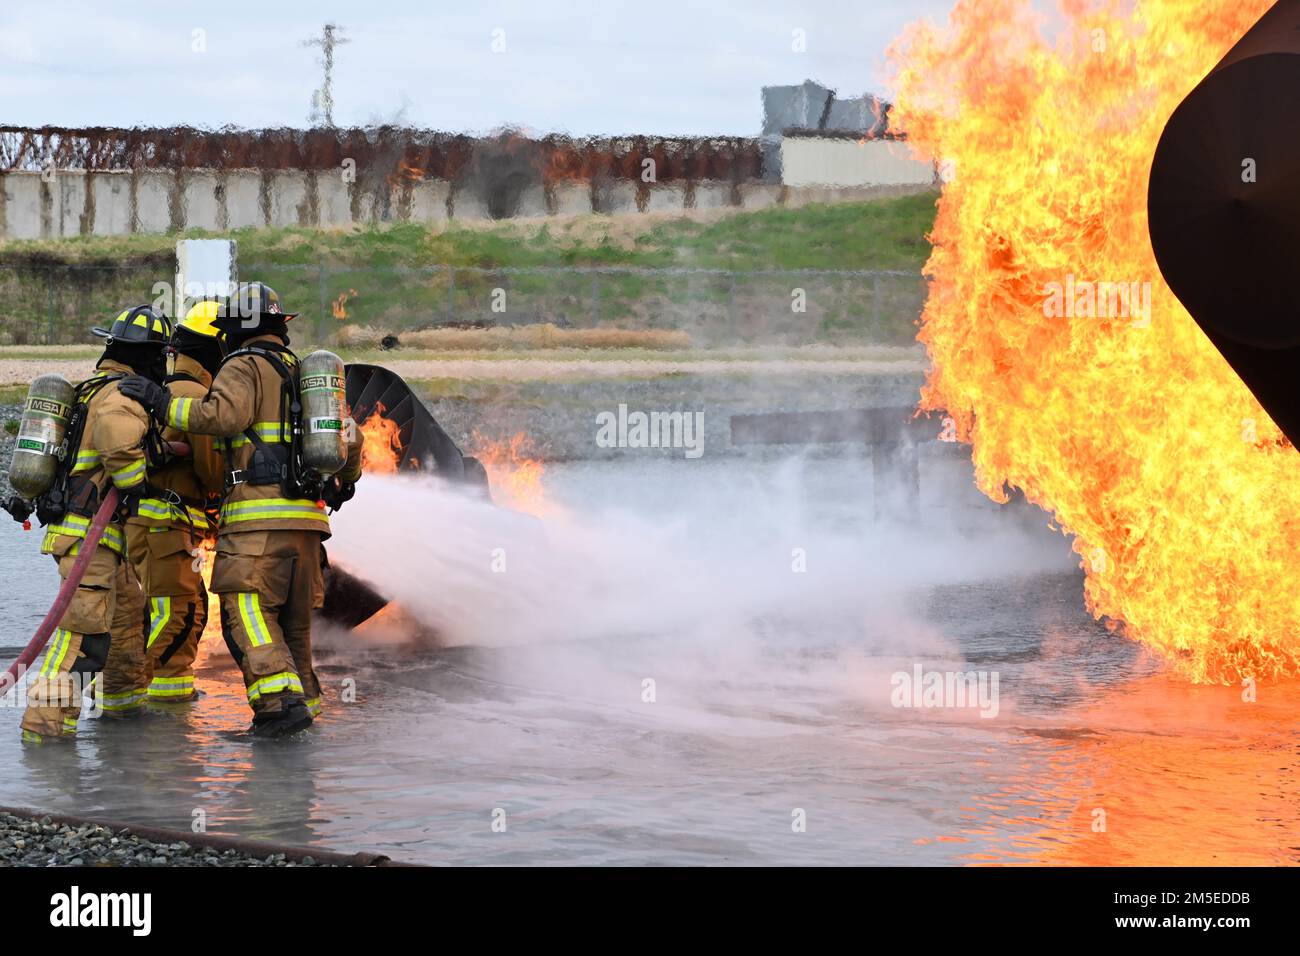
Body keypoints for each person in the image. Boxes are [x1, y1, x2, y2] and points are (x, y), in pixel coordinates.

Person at [120, 283, 362, 737]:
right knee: (295, 629)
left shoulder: (244, 364)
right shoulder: (306, 375)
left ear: (236, 331)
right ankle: (306, 718)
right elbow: (350, 436)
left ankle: (277, 708)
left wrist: (162, 403)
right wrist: (345, 481)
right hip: (310, 526)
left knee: (246, 610)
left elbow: (222, 417)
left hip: (257, 523)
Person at [20, 306, 170, 742]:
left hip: (95, 538)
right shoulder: (121, 397)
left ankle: (121, 712)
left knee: (125, 620)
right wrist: (136, 479)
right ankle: (45, 735)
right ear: (148, 357)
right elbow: (117, 443)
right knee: (80, 643)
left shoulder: (95, 389)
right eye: (160, 357)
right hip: (91, 537)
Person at [117, 300, 227, 706]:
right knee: (175, 613)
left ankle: (154, 699)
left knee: (180, 608)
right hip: (166, 525)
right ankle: (142, 696)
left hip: (153, 525)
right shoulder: (196, 396)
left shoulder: (162, 391)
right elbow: (212, 474)